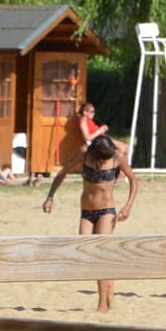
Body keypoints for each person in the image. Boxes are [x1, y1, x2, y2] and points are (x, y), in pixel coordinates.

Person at [42, 134, 137, 313]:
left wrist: (127, 207)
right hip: (86, 212)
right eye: (100, 158)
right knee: (85, 253)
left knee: (98, 256)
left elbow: (133, 179)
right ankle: (110, 282)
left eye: (105, 159)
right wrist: (50, 197)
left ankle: (102, 304)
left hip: (106, 212)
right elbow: (62, 173)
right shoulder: (84, 154)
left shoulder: (117, 158)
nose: (102, 162)